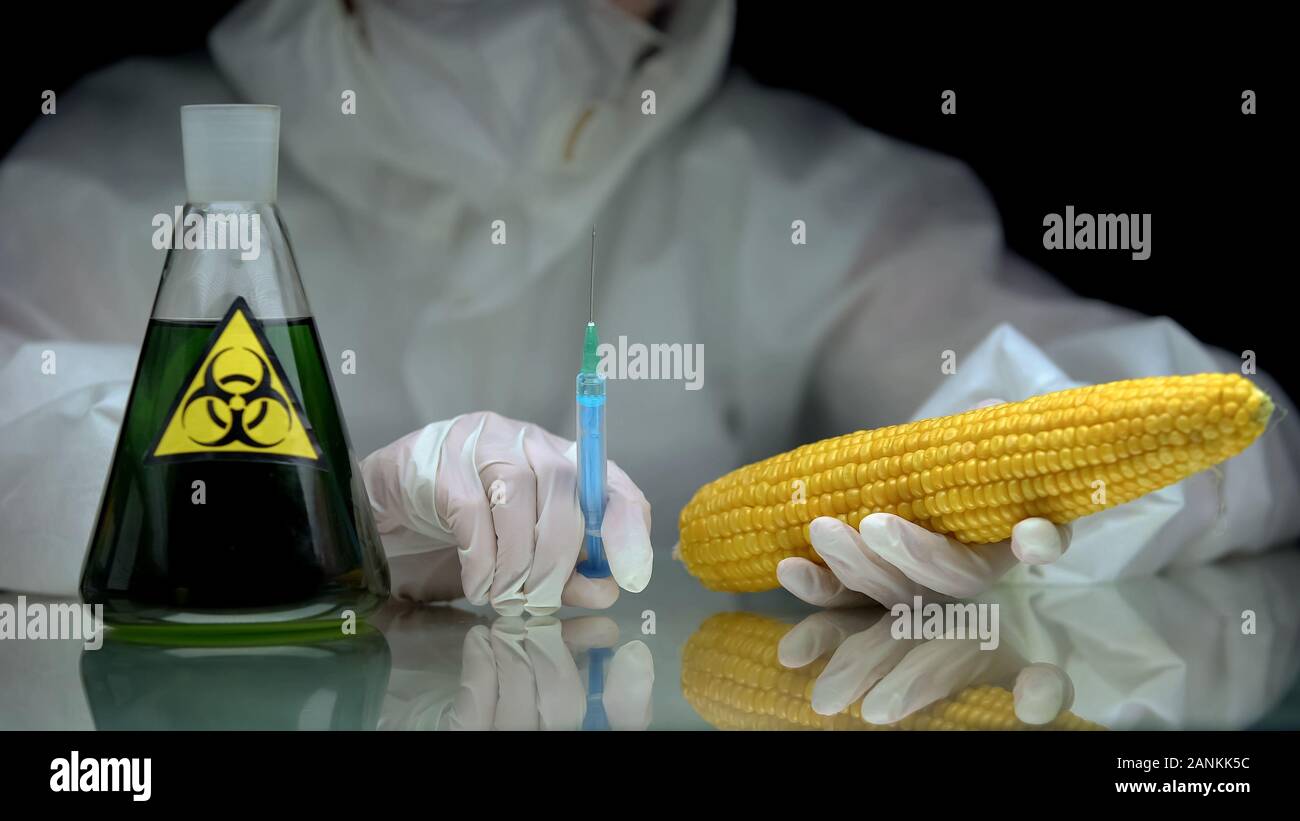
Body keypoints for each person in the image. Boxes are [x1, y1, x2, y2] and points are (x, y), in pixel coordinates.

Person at [2, 0, 1298, 615]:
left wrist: (1032, 488)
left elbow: (1234, 428)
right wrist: (326, 503)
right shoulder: (105, 175)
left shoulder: (810, 192)